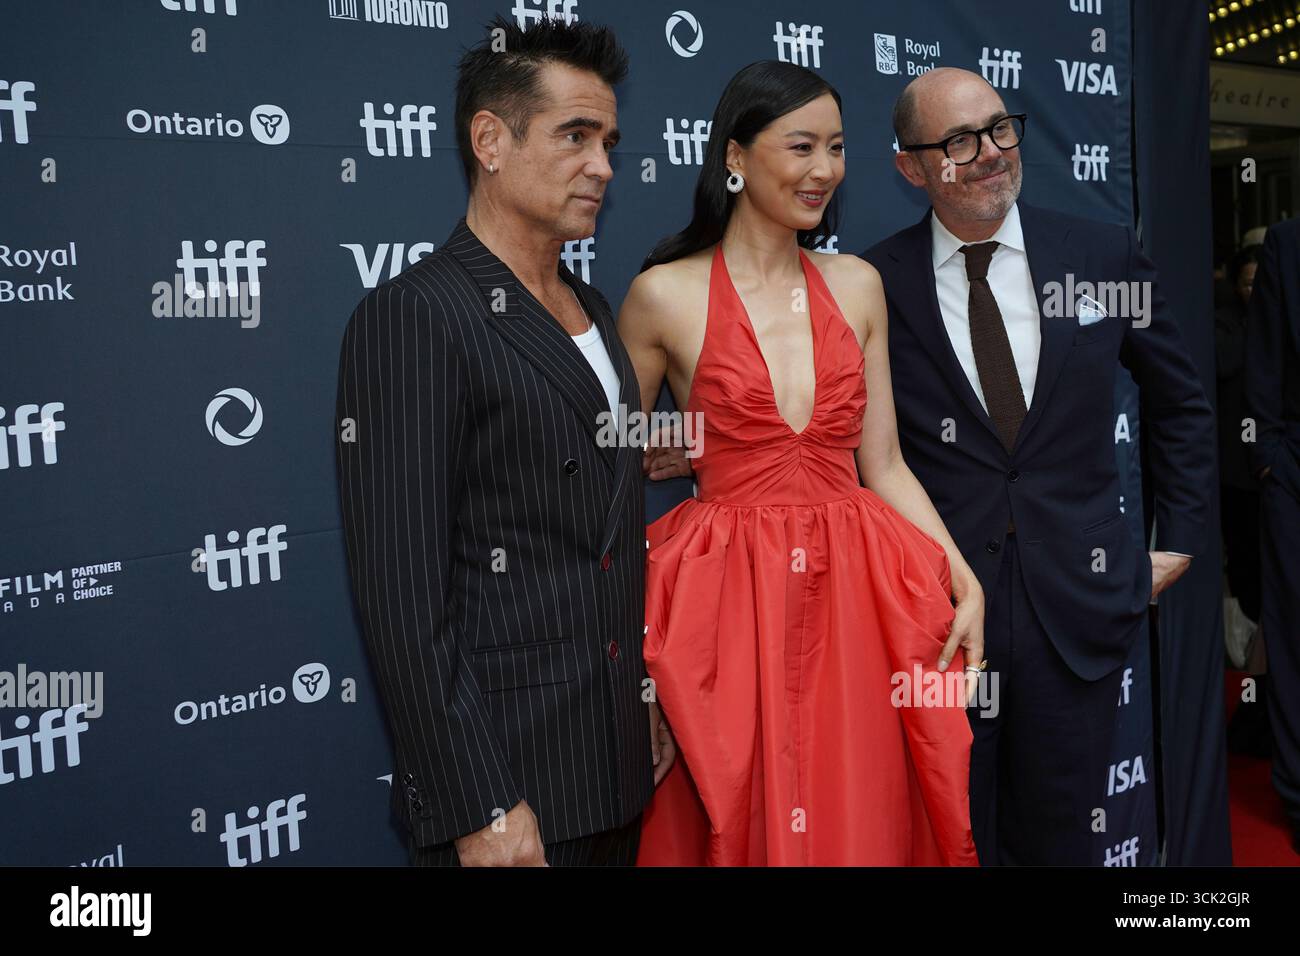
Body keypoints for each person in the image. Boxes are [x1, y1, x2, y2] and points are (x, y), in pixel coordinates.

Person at [620, 60, 983, 866]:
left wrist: (961, 573)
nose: (824, 169)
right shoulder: (662, 295)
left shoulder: (858, 285)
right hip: (728, 601)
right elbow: (609, 471)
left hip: (859, 598)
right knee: (740, 812)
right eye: (801, 146)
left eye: (838, 147)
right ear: (737, 157)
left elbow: (882, 465)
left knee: (864, 813)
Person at [334, 15, 677, 867]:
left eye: (608, 140)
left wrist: (641, 703)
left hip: (613, 763)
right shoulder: (414, 316)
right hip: (507, 786)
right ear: (490, 139)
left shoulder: (596, 309)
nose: (602, 165)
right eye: (574, 136)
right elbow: (403, 599)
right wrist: (478, 801)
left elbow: (596, 528)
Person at [863, 68, 1215, 865]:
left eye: (1001, 127)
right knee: (952, 838)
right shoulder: (875, 281)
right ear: (911, 166)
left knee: (1064, 844)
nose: (989, 153)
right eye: (958, 140)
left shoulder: (1098, 255)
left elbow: (1183, 405)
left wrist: (1180, 541)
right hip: (945, 619)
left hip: (1079, 610)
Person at [1244, 217, 1300, 855]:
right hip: (1295, 475)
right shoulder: (1287, 245)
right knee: (1292, 633)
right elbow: (1265, 363)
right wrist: (1270, 462)